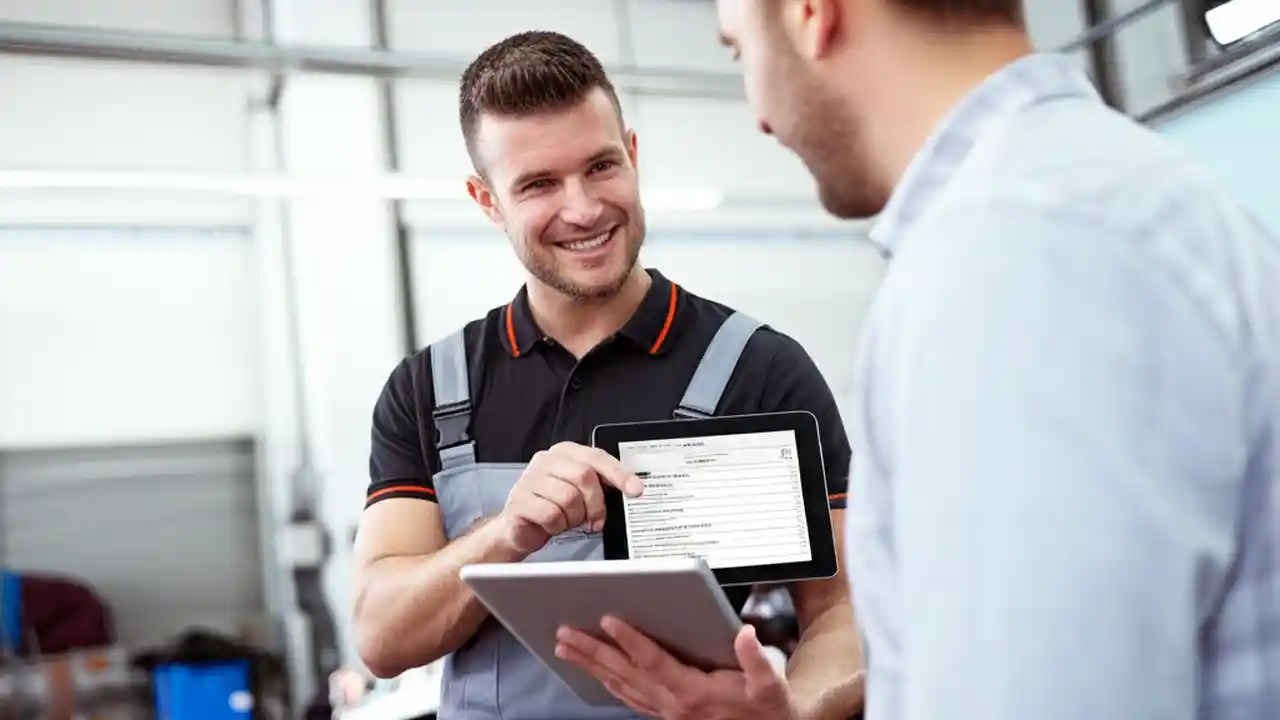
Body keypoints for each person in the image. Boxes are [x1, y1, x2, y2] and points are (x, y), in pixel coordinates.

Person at [713, 1, 1280, 718]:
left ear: (811, 15)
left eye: (740, 55)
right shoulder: (1106, 195)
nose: (759, 114)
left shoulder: (1011, 254)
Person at [351, 30, 867, 720]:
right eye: (538, 184)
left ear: (632, 153)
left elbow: (846, 611)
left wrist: (794, 710)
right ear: (486, 200)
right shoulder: (429, 390)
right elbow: (380, 637)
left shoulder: (759, 371)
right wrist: (506, 535)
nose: (585, 208)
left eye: (599, 166)